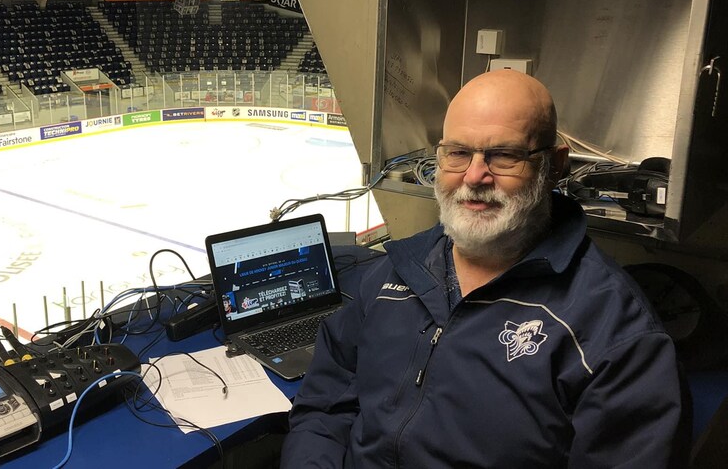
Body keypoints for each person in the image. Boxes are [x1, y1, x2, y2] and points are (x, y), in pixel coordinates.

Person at [281, 70, 686, 468]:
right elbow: (325, 404)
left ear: (554, 166)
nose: (474, 176)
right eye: (458, 153)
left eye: (505, 155)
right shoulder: (396, 271)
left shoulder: (615, 333)